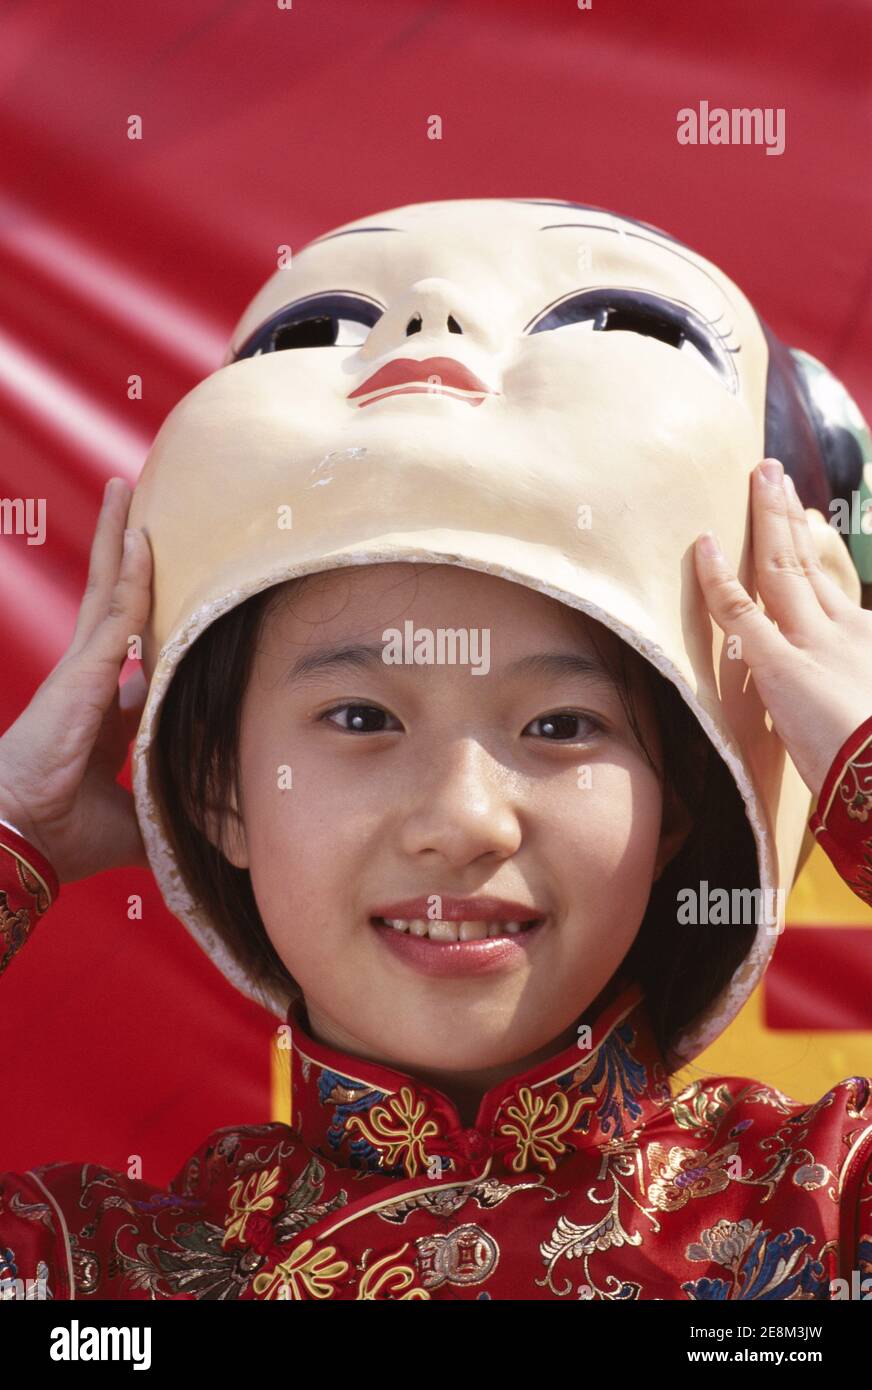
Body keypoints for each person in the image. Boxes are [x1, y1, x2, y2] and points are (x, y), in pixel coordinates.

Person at [1, 199, 871, 1302]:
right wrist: (14, 819)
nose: (461, 821)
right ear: (219, 783)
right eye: (361, 718)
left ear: (682, 803)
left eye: (560, 725)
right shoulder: (106, 1281)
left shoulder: (822, 1215)